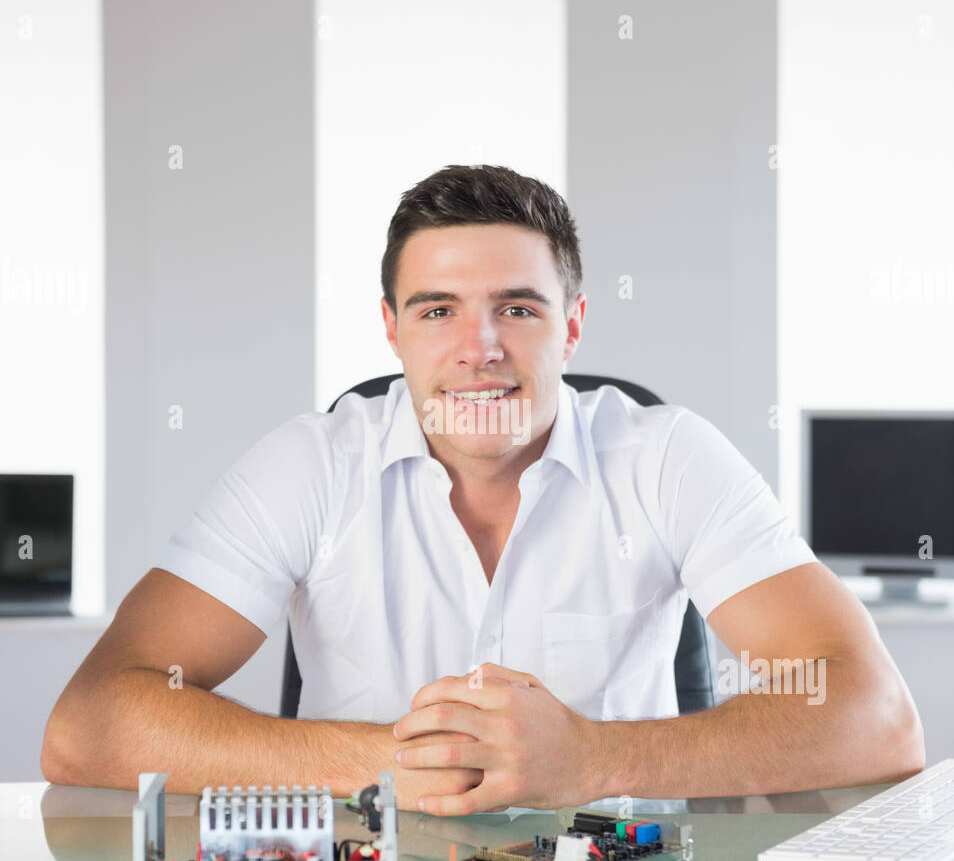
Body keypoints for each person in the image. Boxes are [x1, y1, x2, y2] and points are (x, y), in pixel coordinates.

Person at [41, 165, 924, 812]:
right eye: (437, 310)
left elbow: (873, 717)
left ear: (572, 324)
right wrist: (396, 757)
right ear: (391, 330)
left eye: (518, 307)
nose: (481, 347)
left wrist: (594, 761)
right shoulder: (309, 465)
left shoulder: (667, 457)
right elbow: (91, 723)